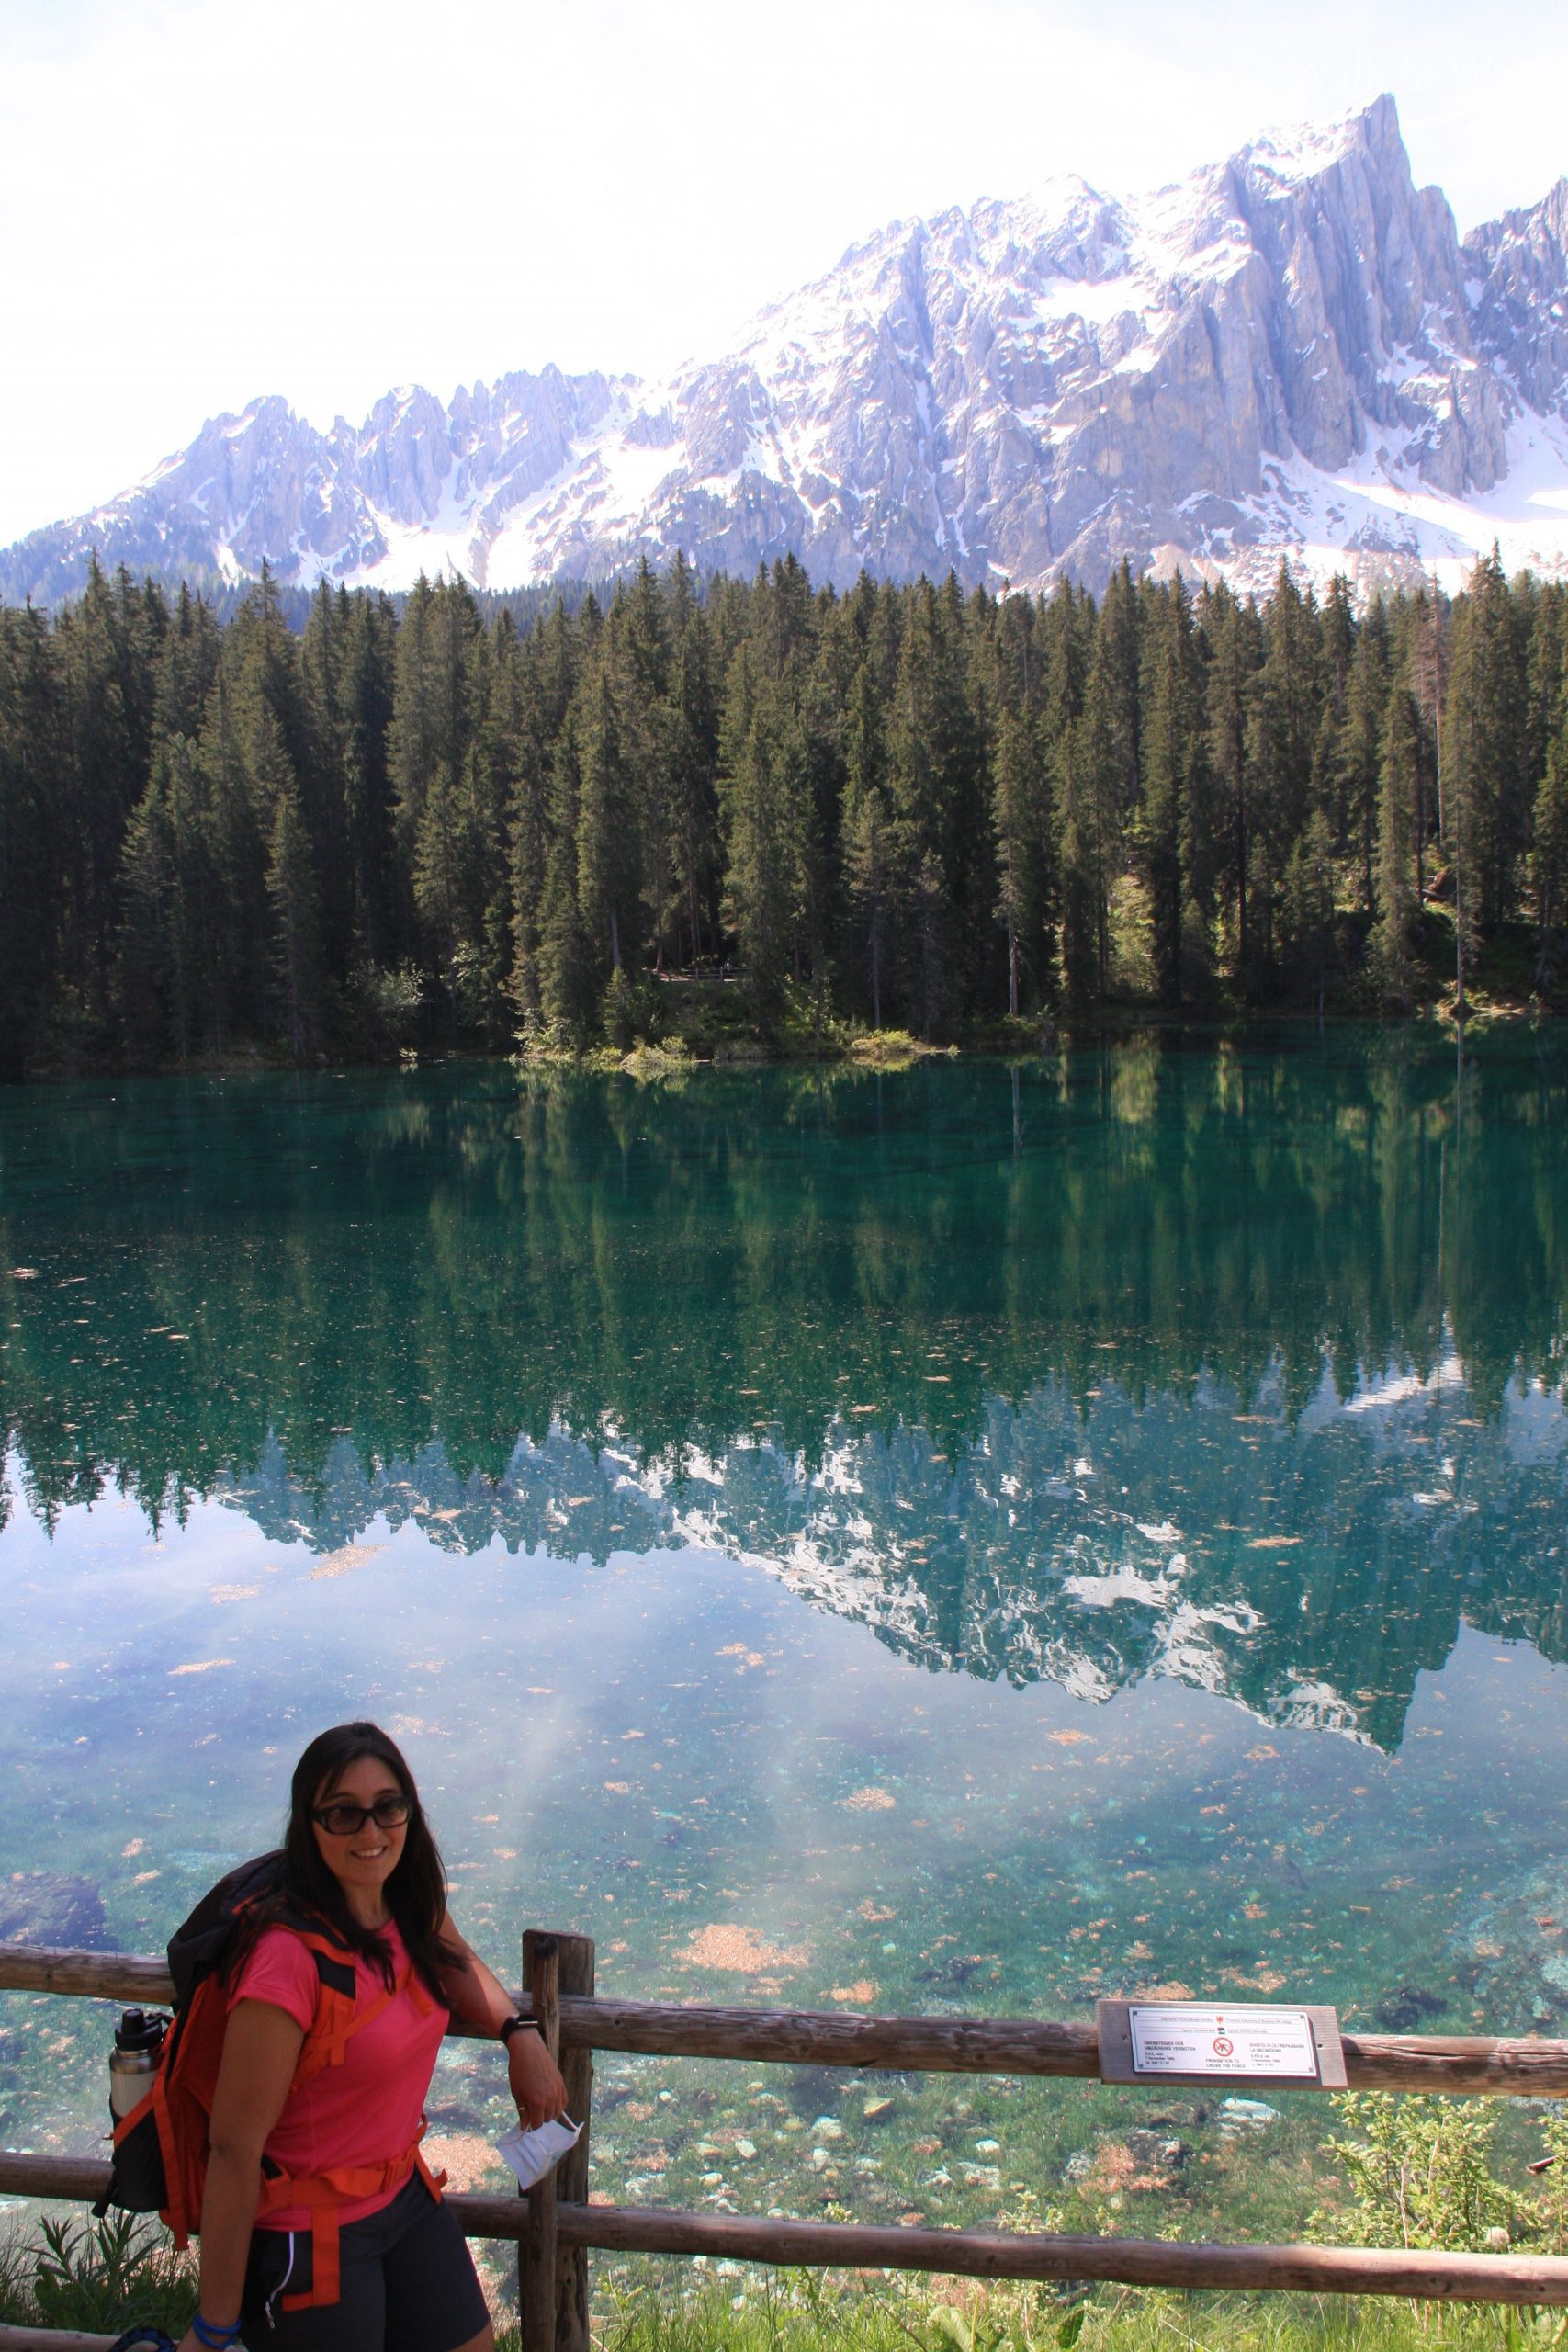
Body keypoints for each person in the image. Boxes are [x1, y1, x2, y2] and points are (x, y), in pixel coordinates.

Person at [174, 1722, 567, 2352]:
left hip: (404, 2198)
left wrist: (518, 2034)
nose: (371, 1831)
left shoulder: (406, 1903)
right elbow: (231, 2150)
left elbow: (457, 1962)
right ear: (310, 1825)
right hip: (309, 2230)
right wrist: (213, 2325)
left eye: (388, 1807)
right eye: (344, 1814)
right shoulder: (286, 1963)